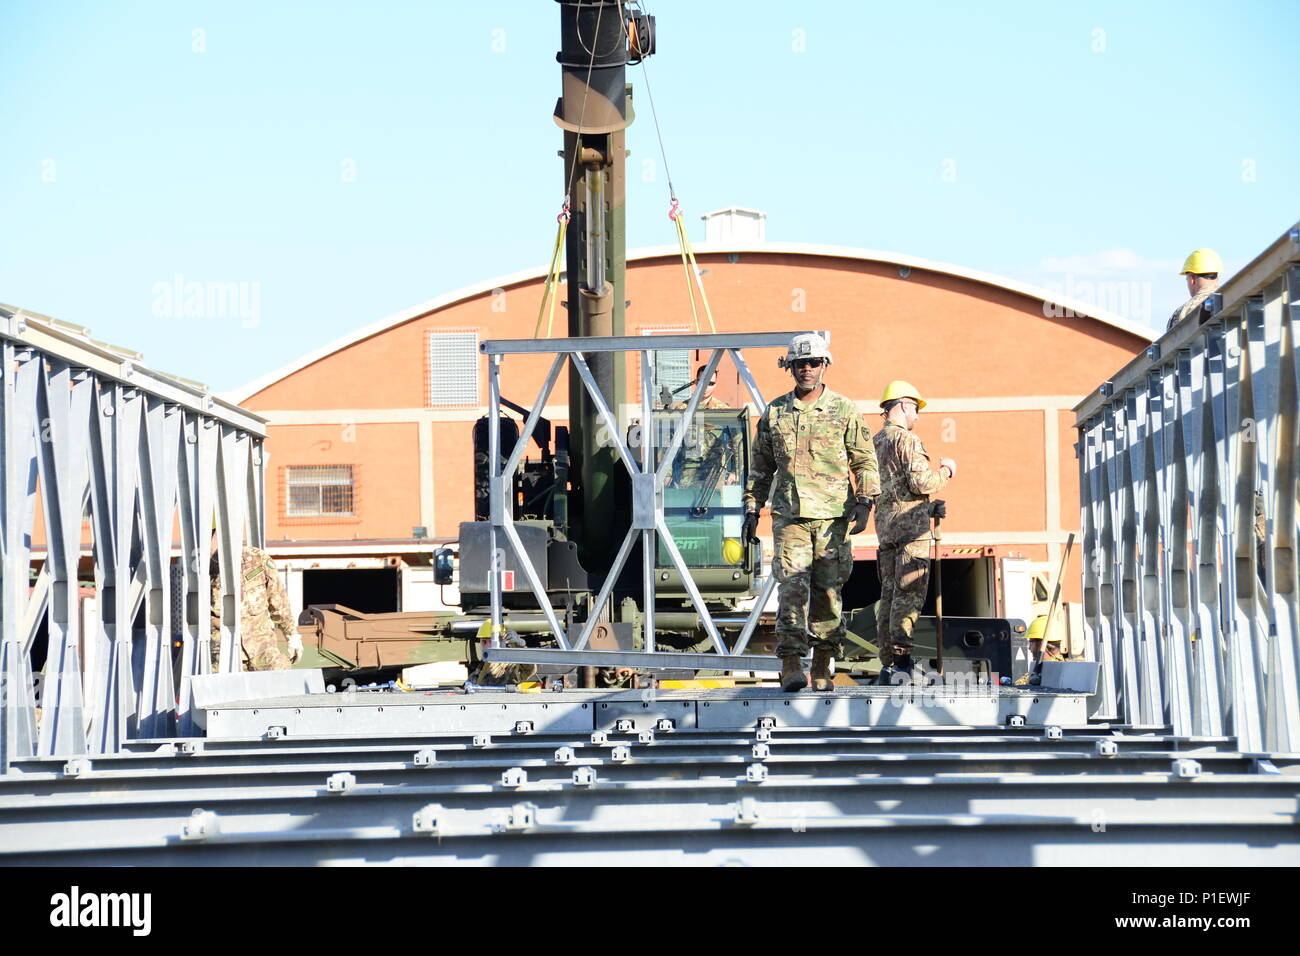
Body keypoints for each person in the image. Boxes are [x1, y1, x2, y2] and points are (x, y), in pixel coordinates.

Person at [743, 333, 879, 692]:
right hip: (791, 517)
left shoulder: (844, 410)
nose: (806, 369)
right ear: (789, 367)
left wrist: (865, 503)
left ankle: (822, 664)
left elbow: (865, 461)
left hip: (834, 518)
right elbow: (760, 467)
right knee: (791, 589)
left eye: (813, 363)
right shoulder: (775, 412)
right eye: (800, 363)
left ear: (825, 366)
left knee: (828, 592)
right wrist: (752, 508)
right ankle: (790, 664)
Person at [872, 381, 956, 681]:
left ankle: (887, 663)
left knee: (890, 595)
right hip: (911, 535)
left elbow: (896, 492)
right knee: (908, 596)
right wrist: (947, 470)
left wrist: (928, 509)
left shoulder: (876, 441)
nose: (917, 416)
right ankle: (902, 660)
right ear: (905, 405)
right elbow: (922, 484)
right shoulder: (907, 440)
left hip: (887, 531)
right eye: (916, 409)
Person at [210, 532, 303, 672]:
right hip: (224, 650)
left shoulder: (257, 560)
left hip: (261, 645)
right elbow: (197, 615)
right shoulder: (202, 570)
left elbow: (278, 600)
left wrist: (292, 635)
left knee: (280, 668)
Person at [1167, 248, 1223, 332]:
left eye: (1187, 279)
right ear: (1217, 278)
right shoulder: (1231, 298)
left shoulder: (1183, 311)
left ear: (1192, 279)